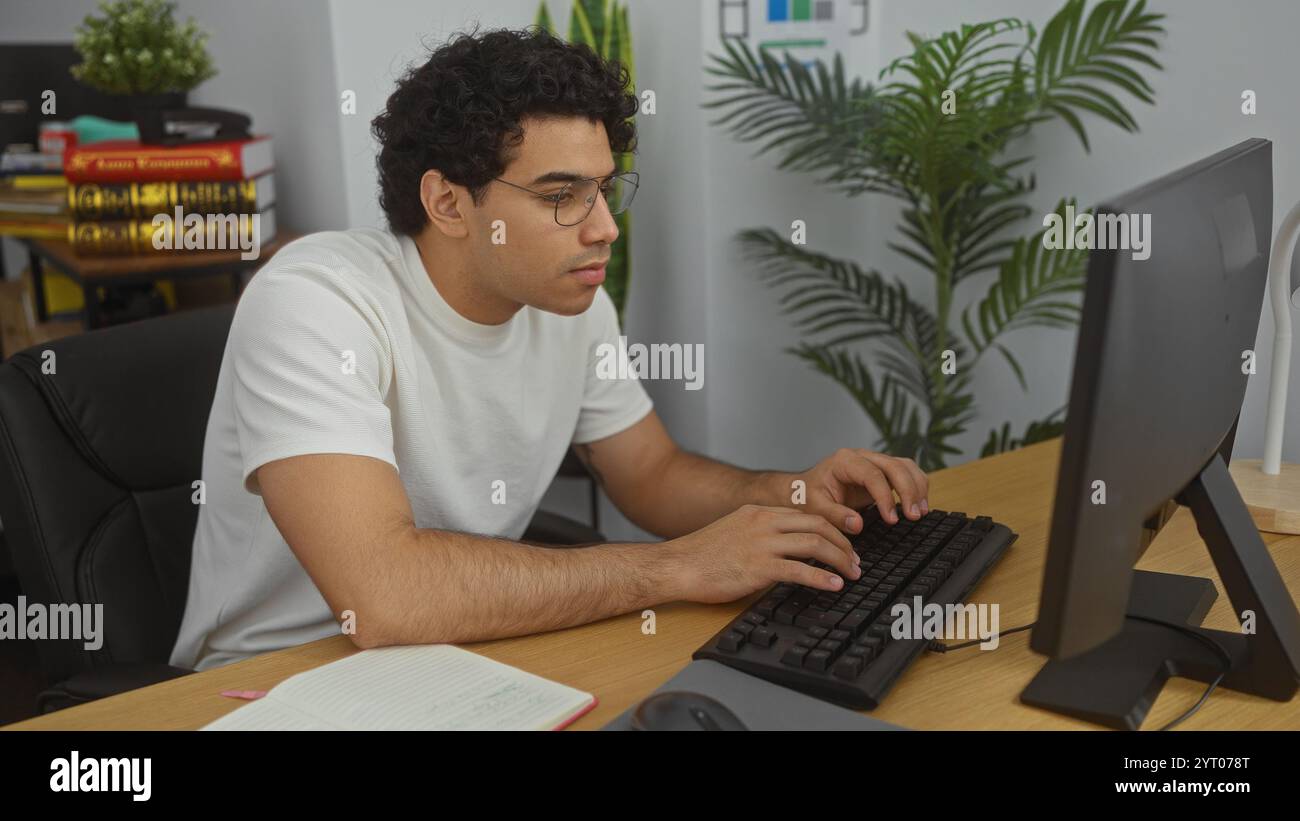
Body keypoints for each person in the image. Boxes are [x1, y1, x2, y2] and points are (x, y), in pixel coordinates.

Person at [170, 27, 928, 671]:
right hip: (278, 680)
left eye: (603, 189)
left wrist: (794, 493)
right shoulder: (316, 300)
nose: (604, 228)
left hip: (456, 652)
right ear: (447, 202)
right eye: (562, 196)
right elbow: (385, 596)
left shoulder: (572, 302)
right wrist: (675, 567)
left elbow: (654, 475)